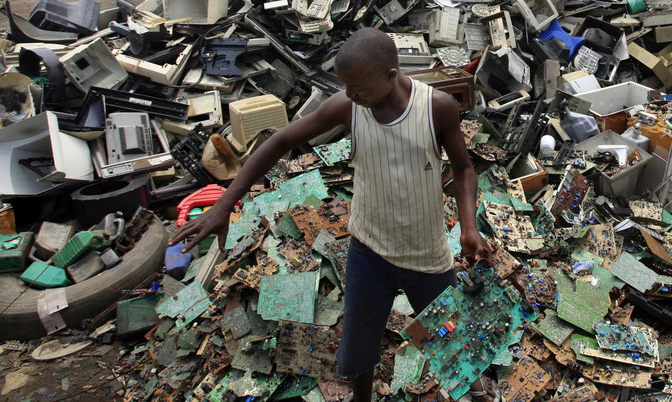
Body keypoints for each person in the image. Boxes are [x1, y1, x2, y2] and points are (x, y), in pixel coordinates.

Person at [169, 28, 496, 402]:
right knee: (358, 345)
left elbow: (464, 169)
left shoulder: (436, 107)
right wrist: (226, 203)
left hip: (428, 254)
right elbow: (279, 141)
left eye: (359, 88)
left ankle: (479, 389)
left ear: (391, 75)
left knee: (453, 337)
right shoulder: (348, 106)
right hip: (369, 251)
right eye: (346, 87)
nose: (351, 96)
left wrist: (469, 228)